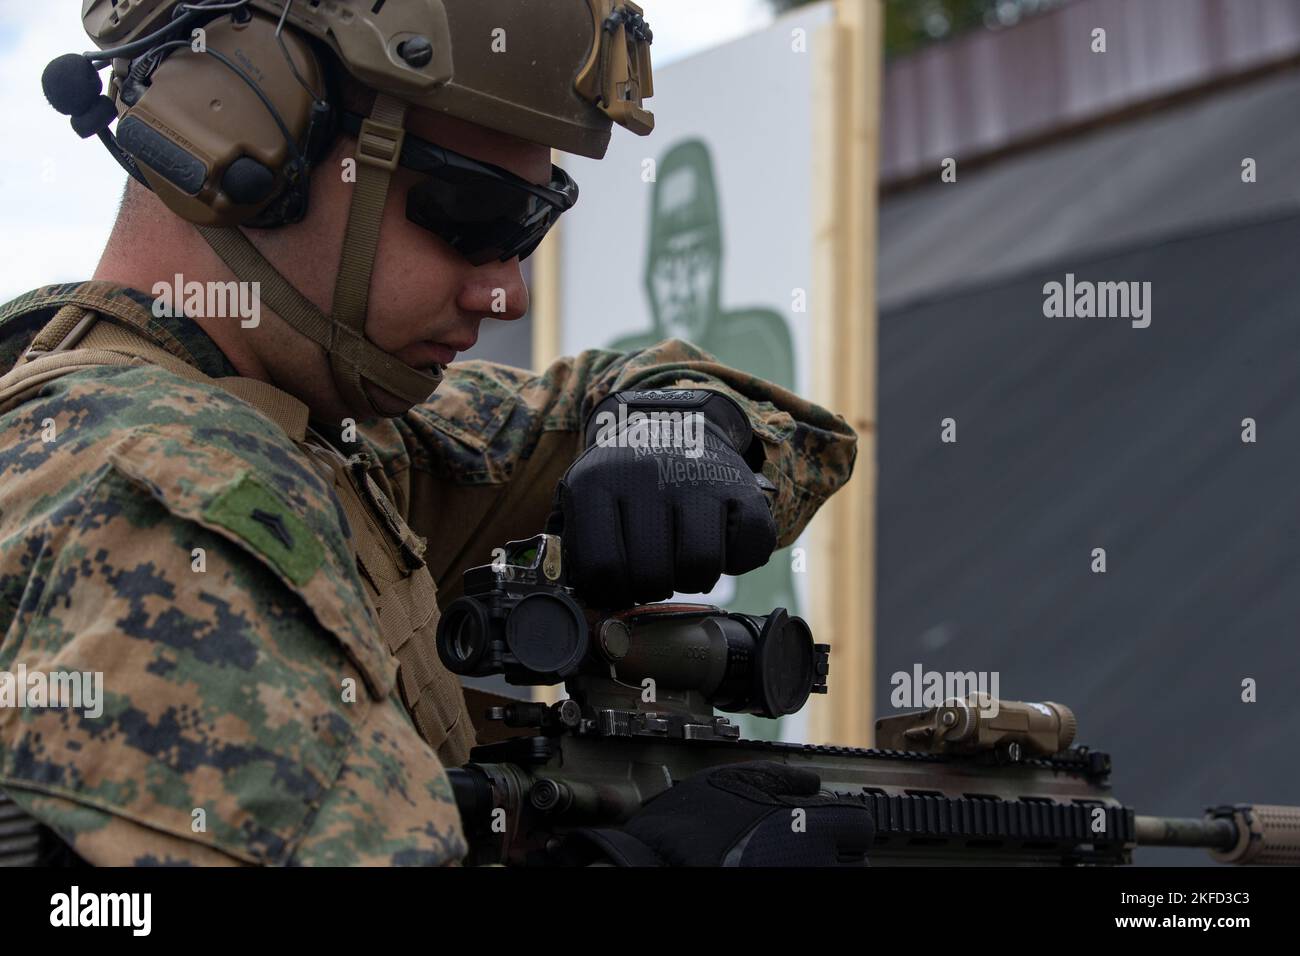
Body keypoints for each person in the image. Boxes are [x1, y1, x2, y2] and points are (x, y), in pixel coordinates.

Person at [0, 0, 859, 865]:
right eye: (474, 214)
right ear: (237, 135)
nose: (507, 291)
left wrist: (679, 426)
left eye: (533, 224)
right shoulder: (174, 494)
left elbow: (756, 423)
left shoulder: (323, 433)